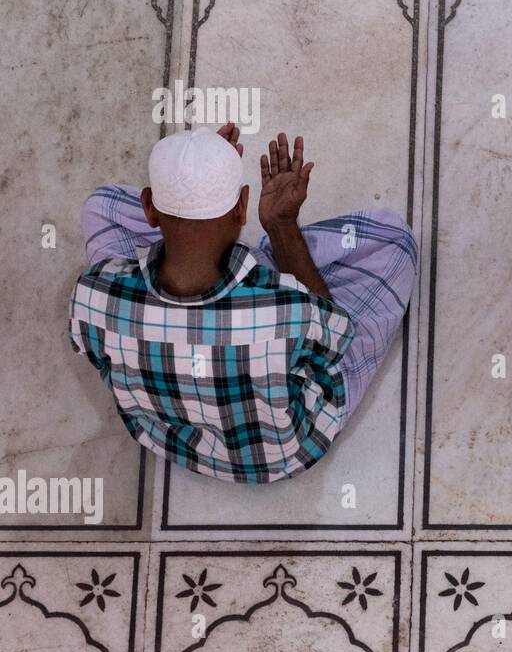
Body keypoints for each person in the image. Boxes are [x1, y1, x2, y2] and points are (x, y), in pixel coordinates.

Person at [68, 125, 415, 483]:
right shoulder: (286, 309)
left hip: (170, 439)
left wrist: (188, 187)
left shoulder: (93, 297)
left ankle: (205, 233)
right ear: (243, 206)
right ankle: (267, 244)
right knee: (393, 242)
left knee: (100, 205)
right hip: (285, 453)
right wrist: (282, 226)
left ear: (148, 208)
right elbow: (333, 343)